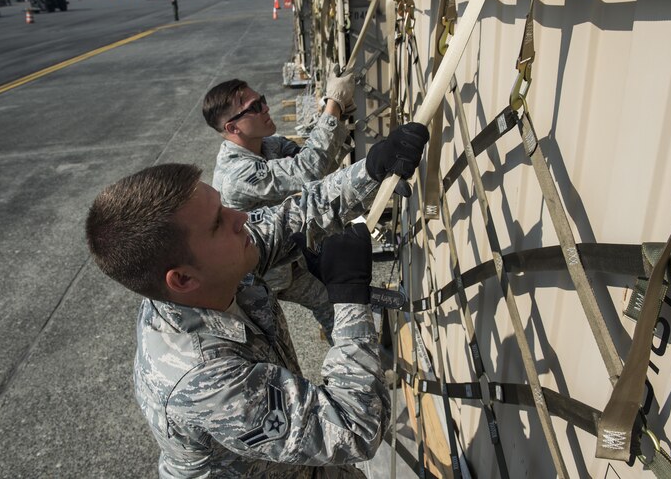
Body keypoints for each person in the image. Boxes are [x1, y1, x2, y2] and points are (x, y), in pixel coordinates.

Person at [85, 123, 429, 477]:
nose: (241, 217)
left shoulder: (213, 271)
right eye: (218, 223)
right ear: (183, 279)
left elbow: (289, 219)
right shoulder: (205, 383)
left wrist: (370, 171)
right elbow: (355, 428)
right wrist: (350, 297)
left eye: (224, 207)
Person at [203, 70, 356, 342]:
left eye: (261, 100)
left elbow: (317, 168)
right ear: (233, 128)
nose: (266, 108)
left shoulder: (268, 146)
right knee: (266, 342)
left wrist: (338, 117)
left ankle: (348, 348)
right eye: (255, 107)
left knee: (330, 303)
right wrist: (333, 104)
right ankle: (350, 354)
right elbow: (307, 170)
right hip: (261, 276)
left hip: (289, 253)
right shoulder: (237, 174)